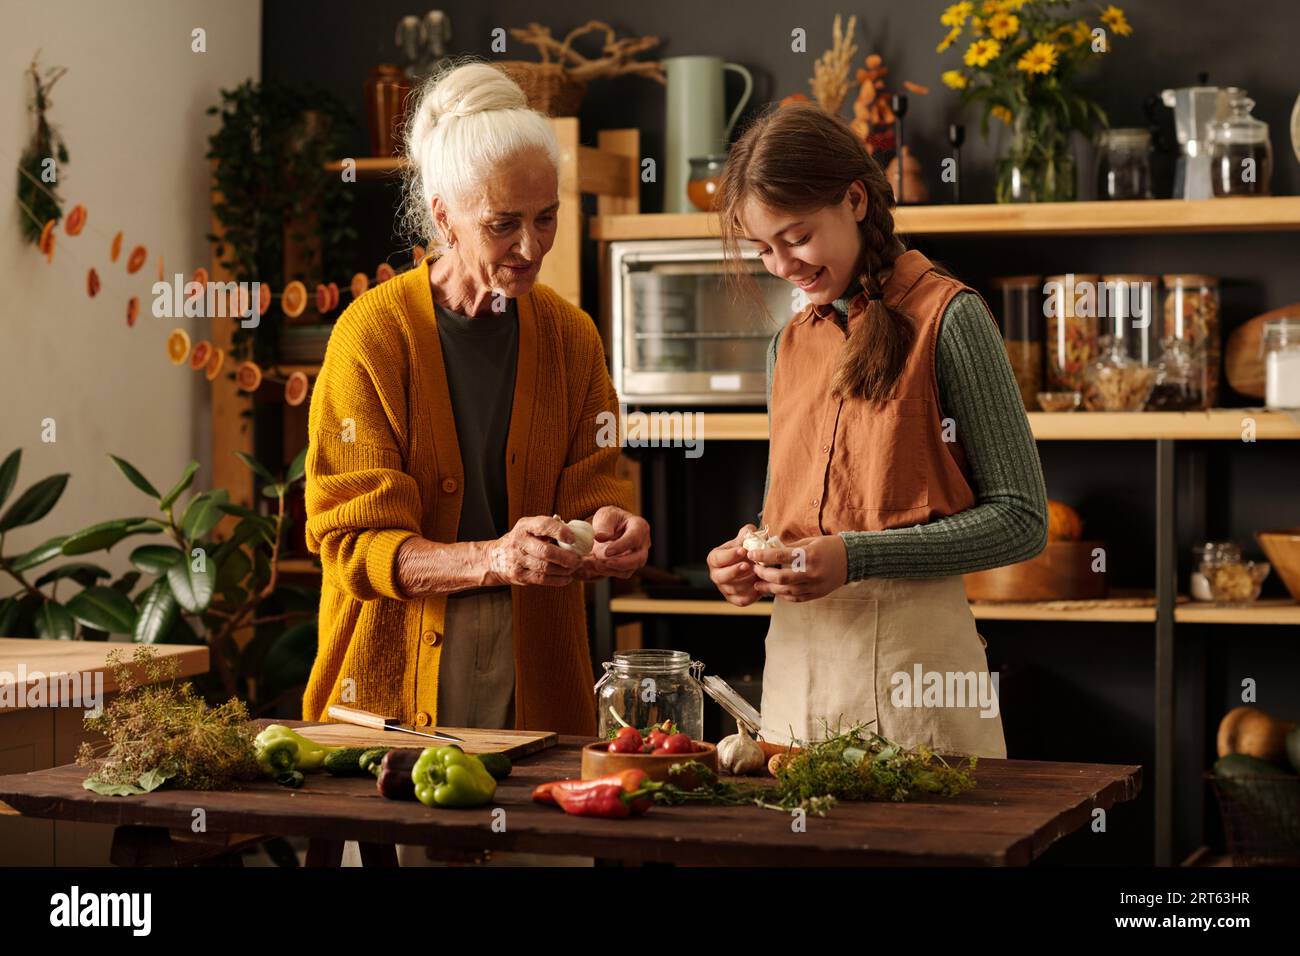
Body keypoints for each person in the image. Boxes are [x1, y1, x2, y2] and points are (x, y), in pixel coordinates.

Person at [301, 61, 649, 843]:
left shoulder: (572, 337)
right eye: (503, 224)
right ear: (443, 216)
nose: (532, 248)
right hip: (393, 683)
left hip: (539, 668)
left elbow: (594, 488)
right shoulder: (373, 336)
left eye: (547, 218)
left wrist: (611, 527)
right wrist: (494, 559)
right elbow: (354, 548)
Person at [707, 103, 1048, 759]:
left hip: (918, 682)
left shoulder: (950, 317)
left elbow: (1023, 519)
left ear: (856, 199)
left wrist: (856, 556)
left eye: (797, 237)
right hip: (798, 681)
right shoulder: (788, 346)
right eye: (762, 249)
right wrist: (752, 559)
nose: (782, 266)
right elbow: (797, 509)